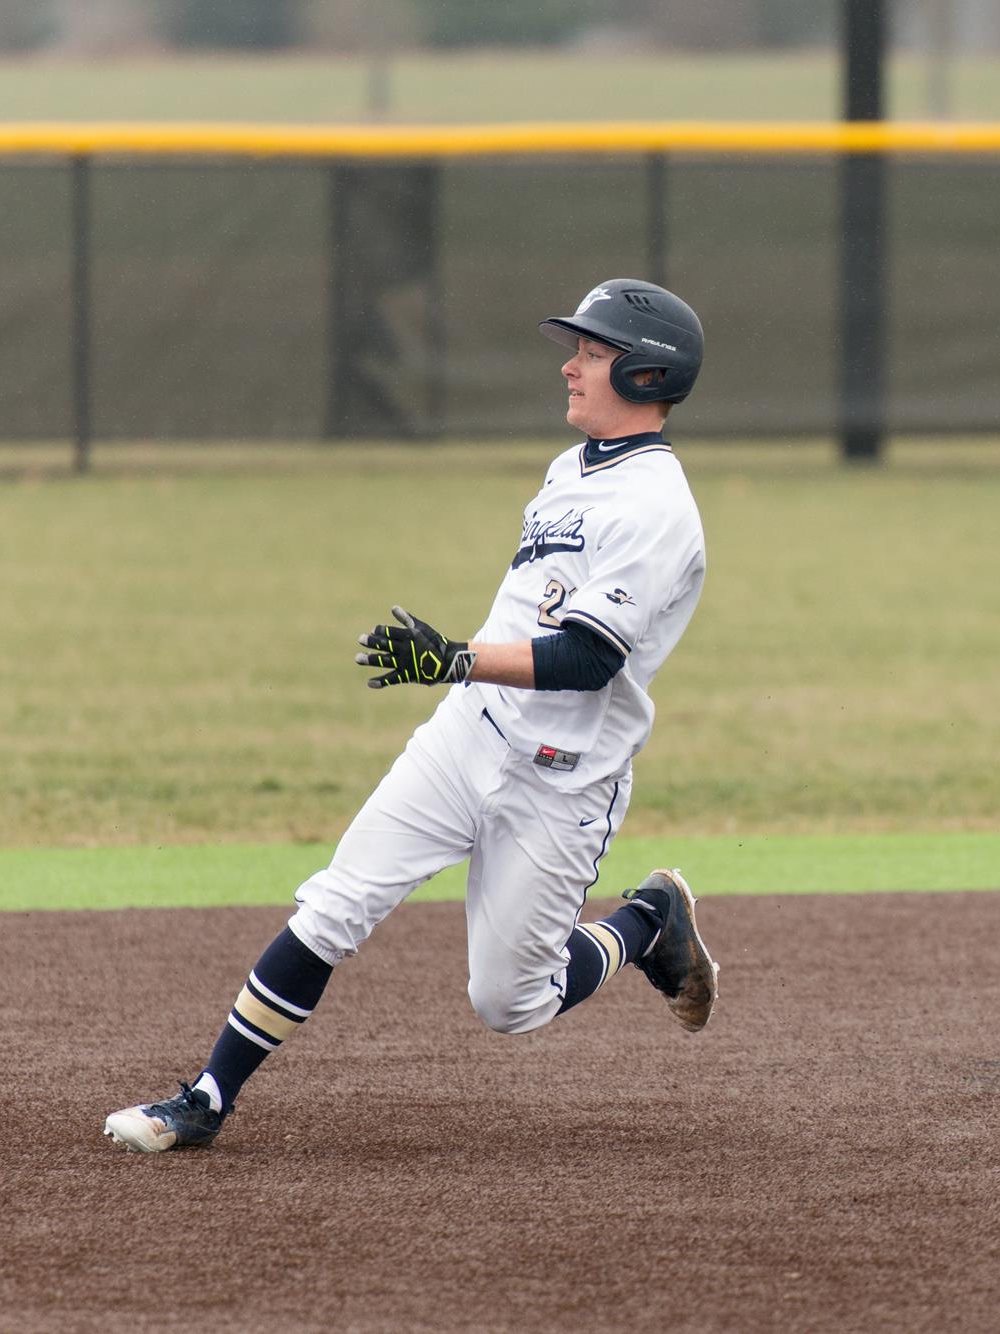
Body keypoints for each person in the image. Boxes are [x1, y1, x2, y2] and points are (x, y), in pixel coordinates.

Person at [103, 279, 718, 1153]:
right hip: (468, 733)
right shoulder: (570, 469)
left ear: (648, 376)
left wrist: (455, 658)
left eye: (594, 352)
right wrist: (463, 677)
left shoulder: (659, 509)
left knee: (510, 1003)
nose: (571, 365)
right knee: (336, 905)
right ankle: (205, 1098)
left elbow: (589, 659)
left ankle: (645, 922)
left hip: (562, 777)